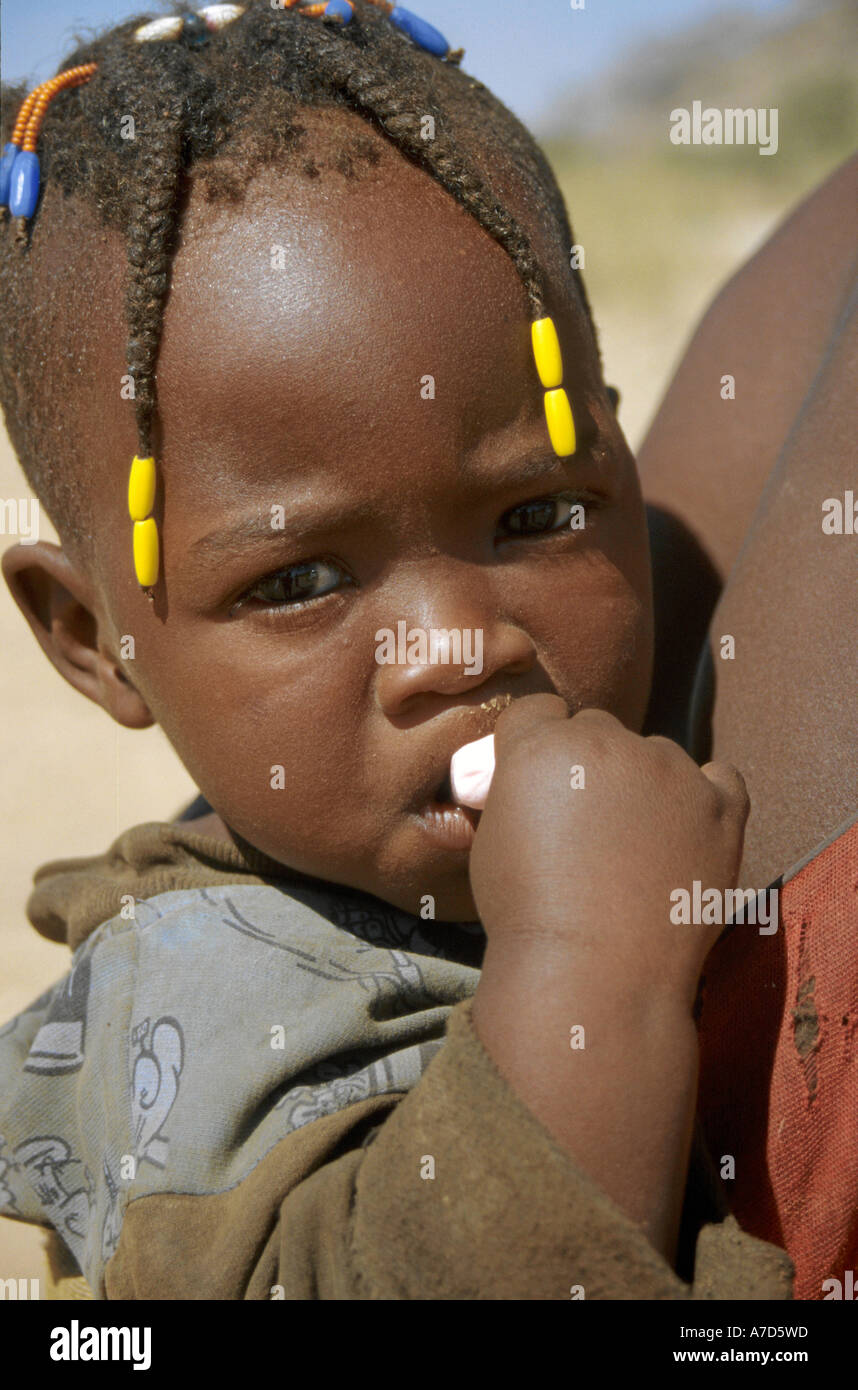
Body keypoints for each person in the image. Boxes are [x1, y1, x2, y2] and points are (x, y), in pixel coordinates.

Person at [0, 0, 792, 1299]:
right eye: (298, 578)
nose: (461, 646)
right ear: (93, 642)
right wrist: (589, 965)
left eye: (536, 514)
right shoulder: (176, 1009)